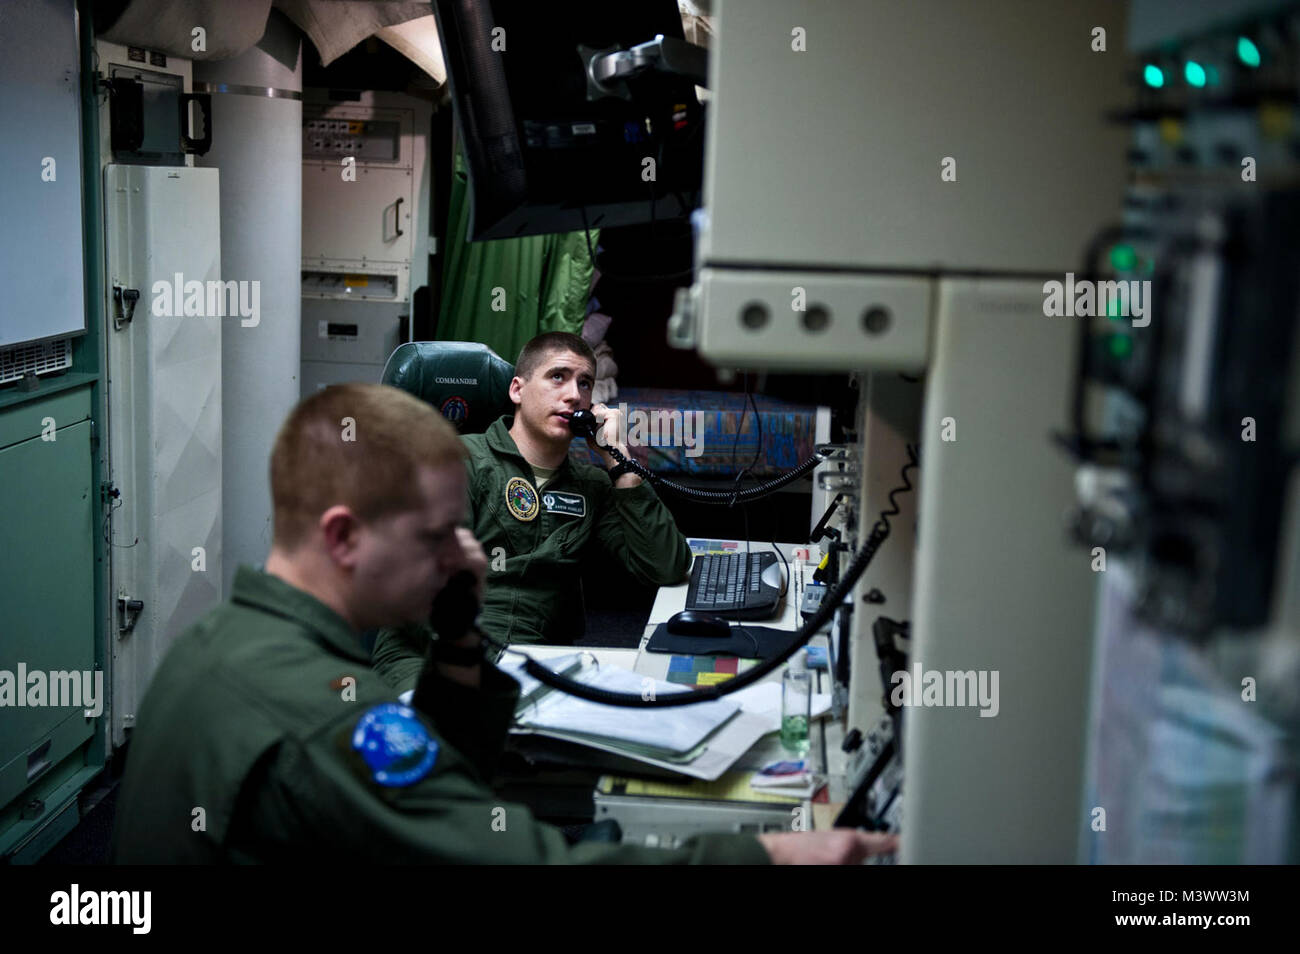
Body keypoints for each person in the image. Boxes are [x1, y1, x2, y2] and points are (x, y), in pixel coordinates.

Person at [110, 383, 895, 864]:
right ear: (344, 538)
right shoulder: (329, 724)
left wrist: (457, 635)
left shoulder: (208, 646)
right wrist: (768, 859)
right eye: (438, 536)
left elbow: (441, 769)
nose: (465, 554)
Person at [453, 331, 690, 645]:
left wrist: (620, 459)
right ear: (517, 390)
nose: (574, 395)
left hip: (543, 660)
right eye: (557, 377)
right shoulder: (462, 459)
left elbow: (666, 567)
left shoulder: (591, 485)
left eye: (585, 383)